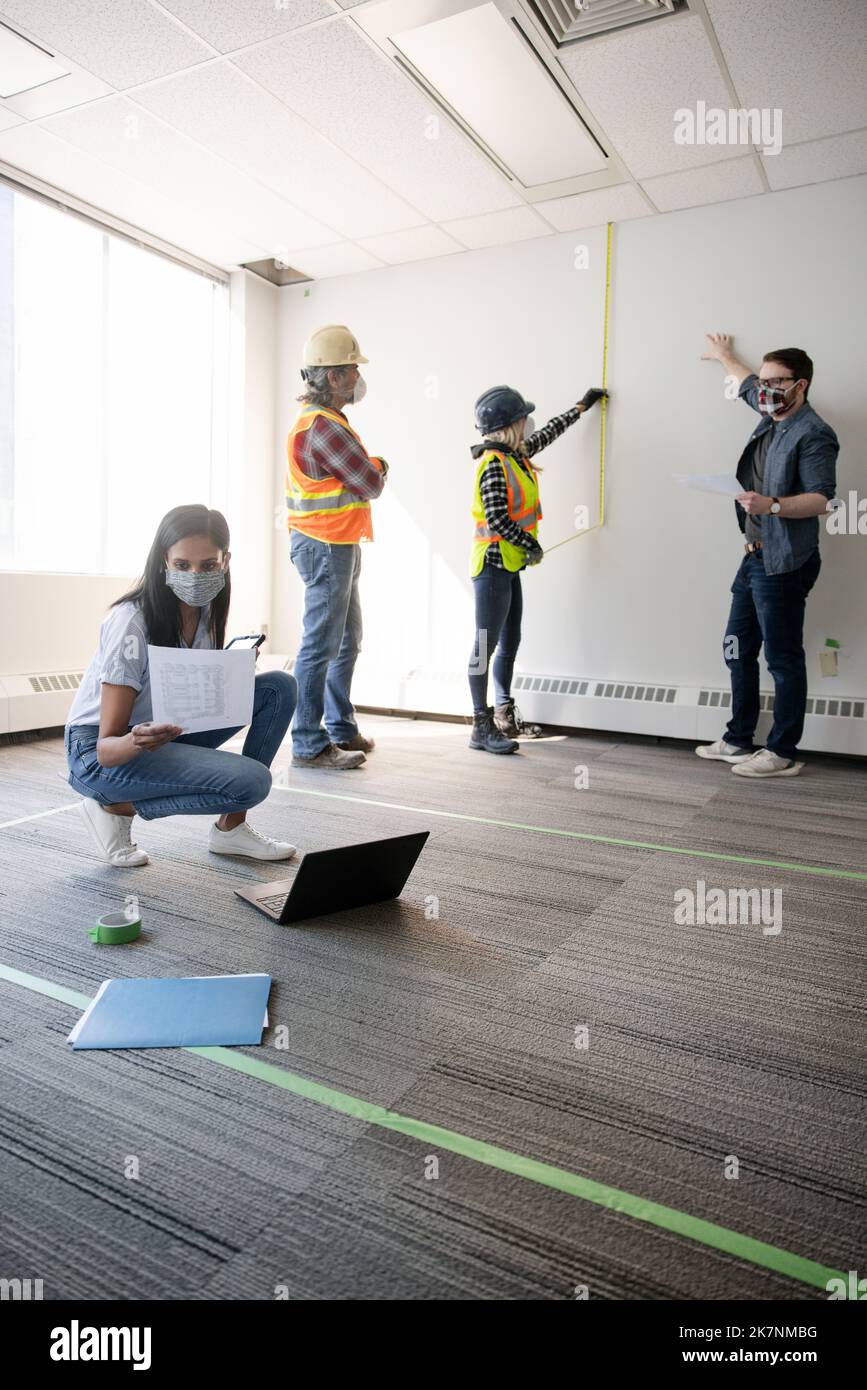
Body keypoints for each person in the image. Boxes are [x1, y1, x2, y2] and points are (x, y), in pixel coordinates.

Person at [65, 504, 298, 867]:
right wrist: (136, 740)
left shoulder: (205, 612)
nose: (195, 576)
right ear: (164, 562)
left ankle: (230, 830)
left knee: (279, 687)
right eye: (182, 565)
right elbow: (106, 750)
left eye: (208, 565)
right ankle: (111, 806)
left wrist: (229, 673)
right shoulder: (131, 622)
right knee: (252, 783)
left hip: (165, 730)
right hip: (102, 753)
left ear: (225, 561)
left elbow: (192, 700)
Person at [697, 334, 838, 777]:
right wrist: (724, 355)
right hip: (753, 558)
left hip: (785, 561)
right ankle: (739, 739)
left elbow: (820, 500)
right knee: (737, 649)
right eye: (766, 380)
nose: (766, 388)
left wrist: (772, 506)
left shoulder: (814, 433)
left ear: (802, 385)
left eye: (777, 381)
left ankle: (782, 752)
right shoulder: (768, 413)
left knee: (782, 658)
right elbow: (744, 382)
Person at [467, 385, 607, 753]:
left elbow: (549, 433)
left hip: (508, 566)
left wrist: (580, 408)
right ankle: (480, 726)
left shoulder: (516, 455)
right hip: (493, 567)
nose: (530, 423)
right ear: (511, 425)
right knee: (485, 645)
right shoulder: (494, 465)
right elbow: (497, 518)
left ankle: (502, 714)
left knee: (509, 642)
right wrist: (531, 545)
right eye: (524, 418)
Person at [285, 325, 387, 770]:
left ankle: (340, 727)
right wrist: (382, 464)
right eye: (350, 370)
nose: (356, 379)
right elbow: (370, 481)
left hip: (337, 541)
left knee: (347, 639)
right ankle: (308, 743)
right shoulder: (323, 428)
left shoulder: (329, 423)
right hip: (324, 544)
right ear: (331, 378)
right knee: (321, 645)